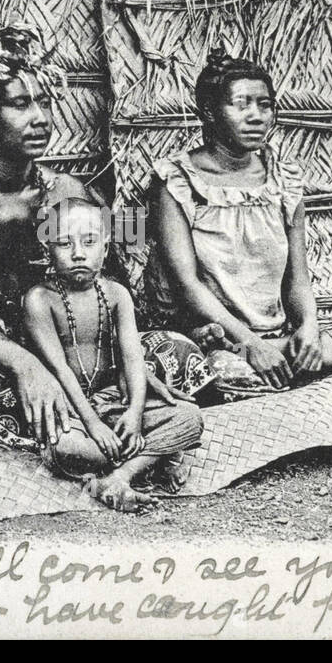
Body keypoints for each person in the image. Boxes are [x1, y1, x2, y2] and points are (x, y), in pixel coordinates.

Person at [0, 21, 213, 462]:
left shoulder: (74, 191)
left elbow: (116, 274)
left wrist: (132, 368)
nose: (41, 117)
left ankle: (93, 424)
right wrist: (24, 364)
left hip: (79, 347)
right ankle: (88, 431)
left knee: (177, 352)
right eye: (20, 104)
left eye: (45, 102)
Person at [146, 51, 332, 397]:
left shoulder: (283, 178)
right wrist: (248, 342)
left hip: (280, 337)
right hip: (217, 341)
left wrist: (308, 327)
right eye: (241, 105)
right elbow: (188, 285)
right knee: (202, 366)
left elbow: (298, 277)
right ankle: (274, 374)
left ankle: (276, 370)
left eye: (265, 105)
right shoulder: (176, 182)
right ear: (209, 112)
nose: (256, 117)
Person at [23, 198, 203, 511]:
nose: (78, 253)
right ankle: (152, 458)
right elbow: (60, 369)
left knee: (190, 418)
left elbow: (133, 358)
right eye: (64, 243)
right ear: (47, 250)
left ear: (106, 248)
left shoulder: (117, 294)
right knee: (66, 447)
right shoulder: (39, 300)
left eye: (90, 242)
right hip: (71, 409)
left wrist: (134, 412)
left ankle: (118, 477)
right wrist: (93, 424)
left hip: (111, 401)